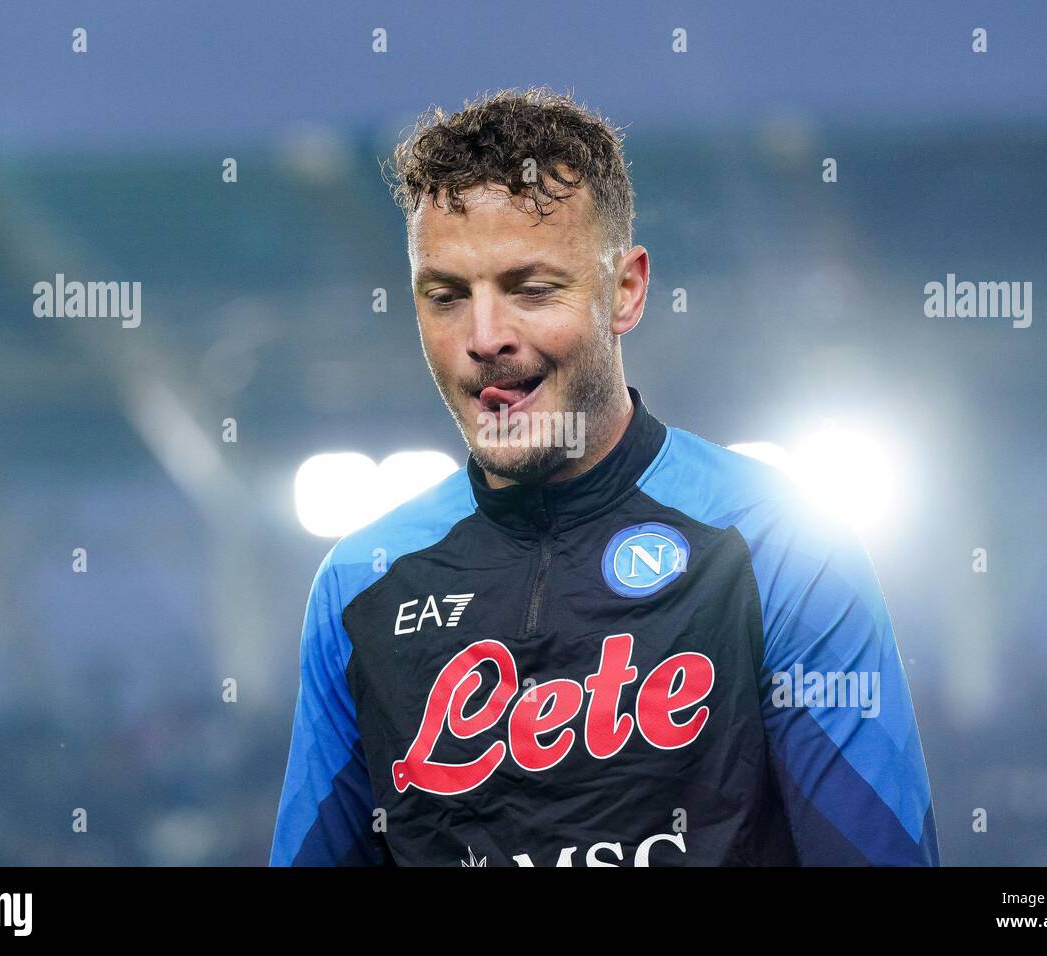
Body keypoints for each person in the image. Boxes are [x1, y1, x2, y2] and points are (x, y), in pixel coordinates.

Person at [270, 87, 939, 866]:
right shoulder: (360, 581)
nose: (485, 337)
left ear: (625, 291)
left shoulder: (781, 542)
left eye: (532, 289)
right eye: (447, 296)